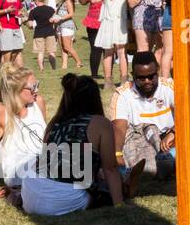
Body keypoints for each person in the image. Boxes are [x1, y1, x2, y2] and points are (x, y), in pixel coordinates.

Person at [22, 74, 140, 215]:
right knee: (101, 191)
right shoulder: (100, 124)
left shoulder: (55, 122)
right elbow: (110, 168)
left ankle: (122, 185)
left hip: (30, 190)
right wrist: (120, 205)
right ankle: (124, 188)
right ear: (95, 98)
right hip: (63, 197)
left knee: (93, 180)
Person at [113, 52, 176, 180]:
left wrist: (174, 132)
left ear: (157, 72)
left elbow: (189, 116)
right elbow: (119, 129)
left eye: (151, 76)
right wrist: (117, 153)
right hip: (139, 141)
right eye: (141, 78)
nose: (147, 81)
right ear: (133, 76)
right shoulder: (122, 95)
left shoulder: (169, 87)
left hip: (170, 139)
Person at [0, 65, 46, 206]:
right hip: (21, 173)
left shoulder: (38, 102)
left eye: (37, 85)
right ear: (16, 90)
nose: (37, 90)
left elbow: (45, 141)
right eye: (32, 87)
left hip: (45, 166)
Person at [95, 0, 130, 87]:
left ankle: (107, 81)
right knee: (122, 52)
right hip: (120, 20)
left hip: (107, 21)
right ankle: (124, 79)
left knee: (108, 52)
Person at [81, 0, 105, 79]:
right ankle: (107, 74)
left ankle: (94, 74)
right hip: (105, 21)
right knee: (107, 49)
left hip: (93, 21)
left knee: (95, 49)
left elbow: (82, 1)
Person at [27, 0, 58, 72]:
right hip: (50, 32)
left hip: (38, 33)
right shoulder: (51, 9)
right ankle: (54, 68)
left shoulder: (33, 11)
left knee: (40, 52)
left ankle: (41, 69)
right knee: (51, 52)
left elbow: (30, 24)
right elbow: (55, 19)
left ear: (36, 0)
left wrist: (28, 25)